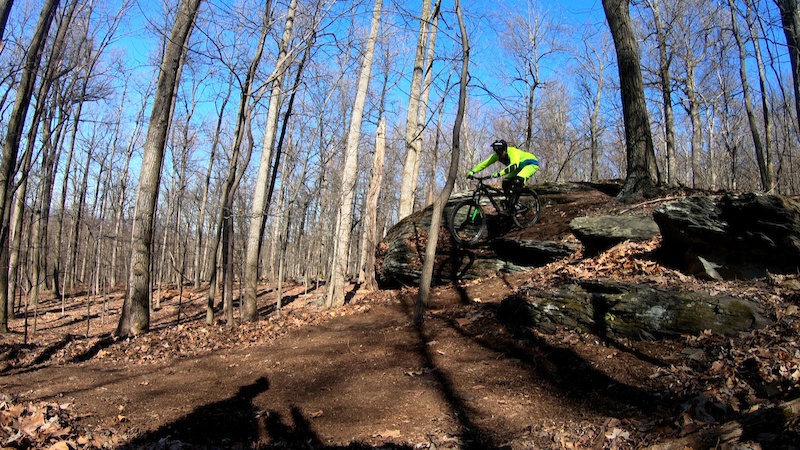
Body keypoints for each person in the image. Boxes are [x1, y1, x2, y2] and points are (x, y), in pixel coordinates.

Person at [466, 139, 539, 212]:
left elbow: (513, 166)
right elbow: (484, 164)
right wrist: (472, 171)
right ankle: (509, 203)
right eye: (497, 152)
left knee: (517, 181)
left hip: (531, 164)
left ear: (505, 149)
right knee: (505, 182)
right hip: (519, 167)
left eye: (500, 152)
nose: (499, 154)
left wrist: (499, 173)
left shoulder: (513, 152)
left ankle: (513, 204)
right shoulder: (497, 156)